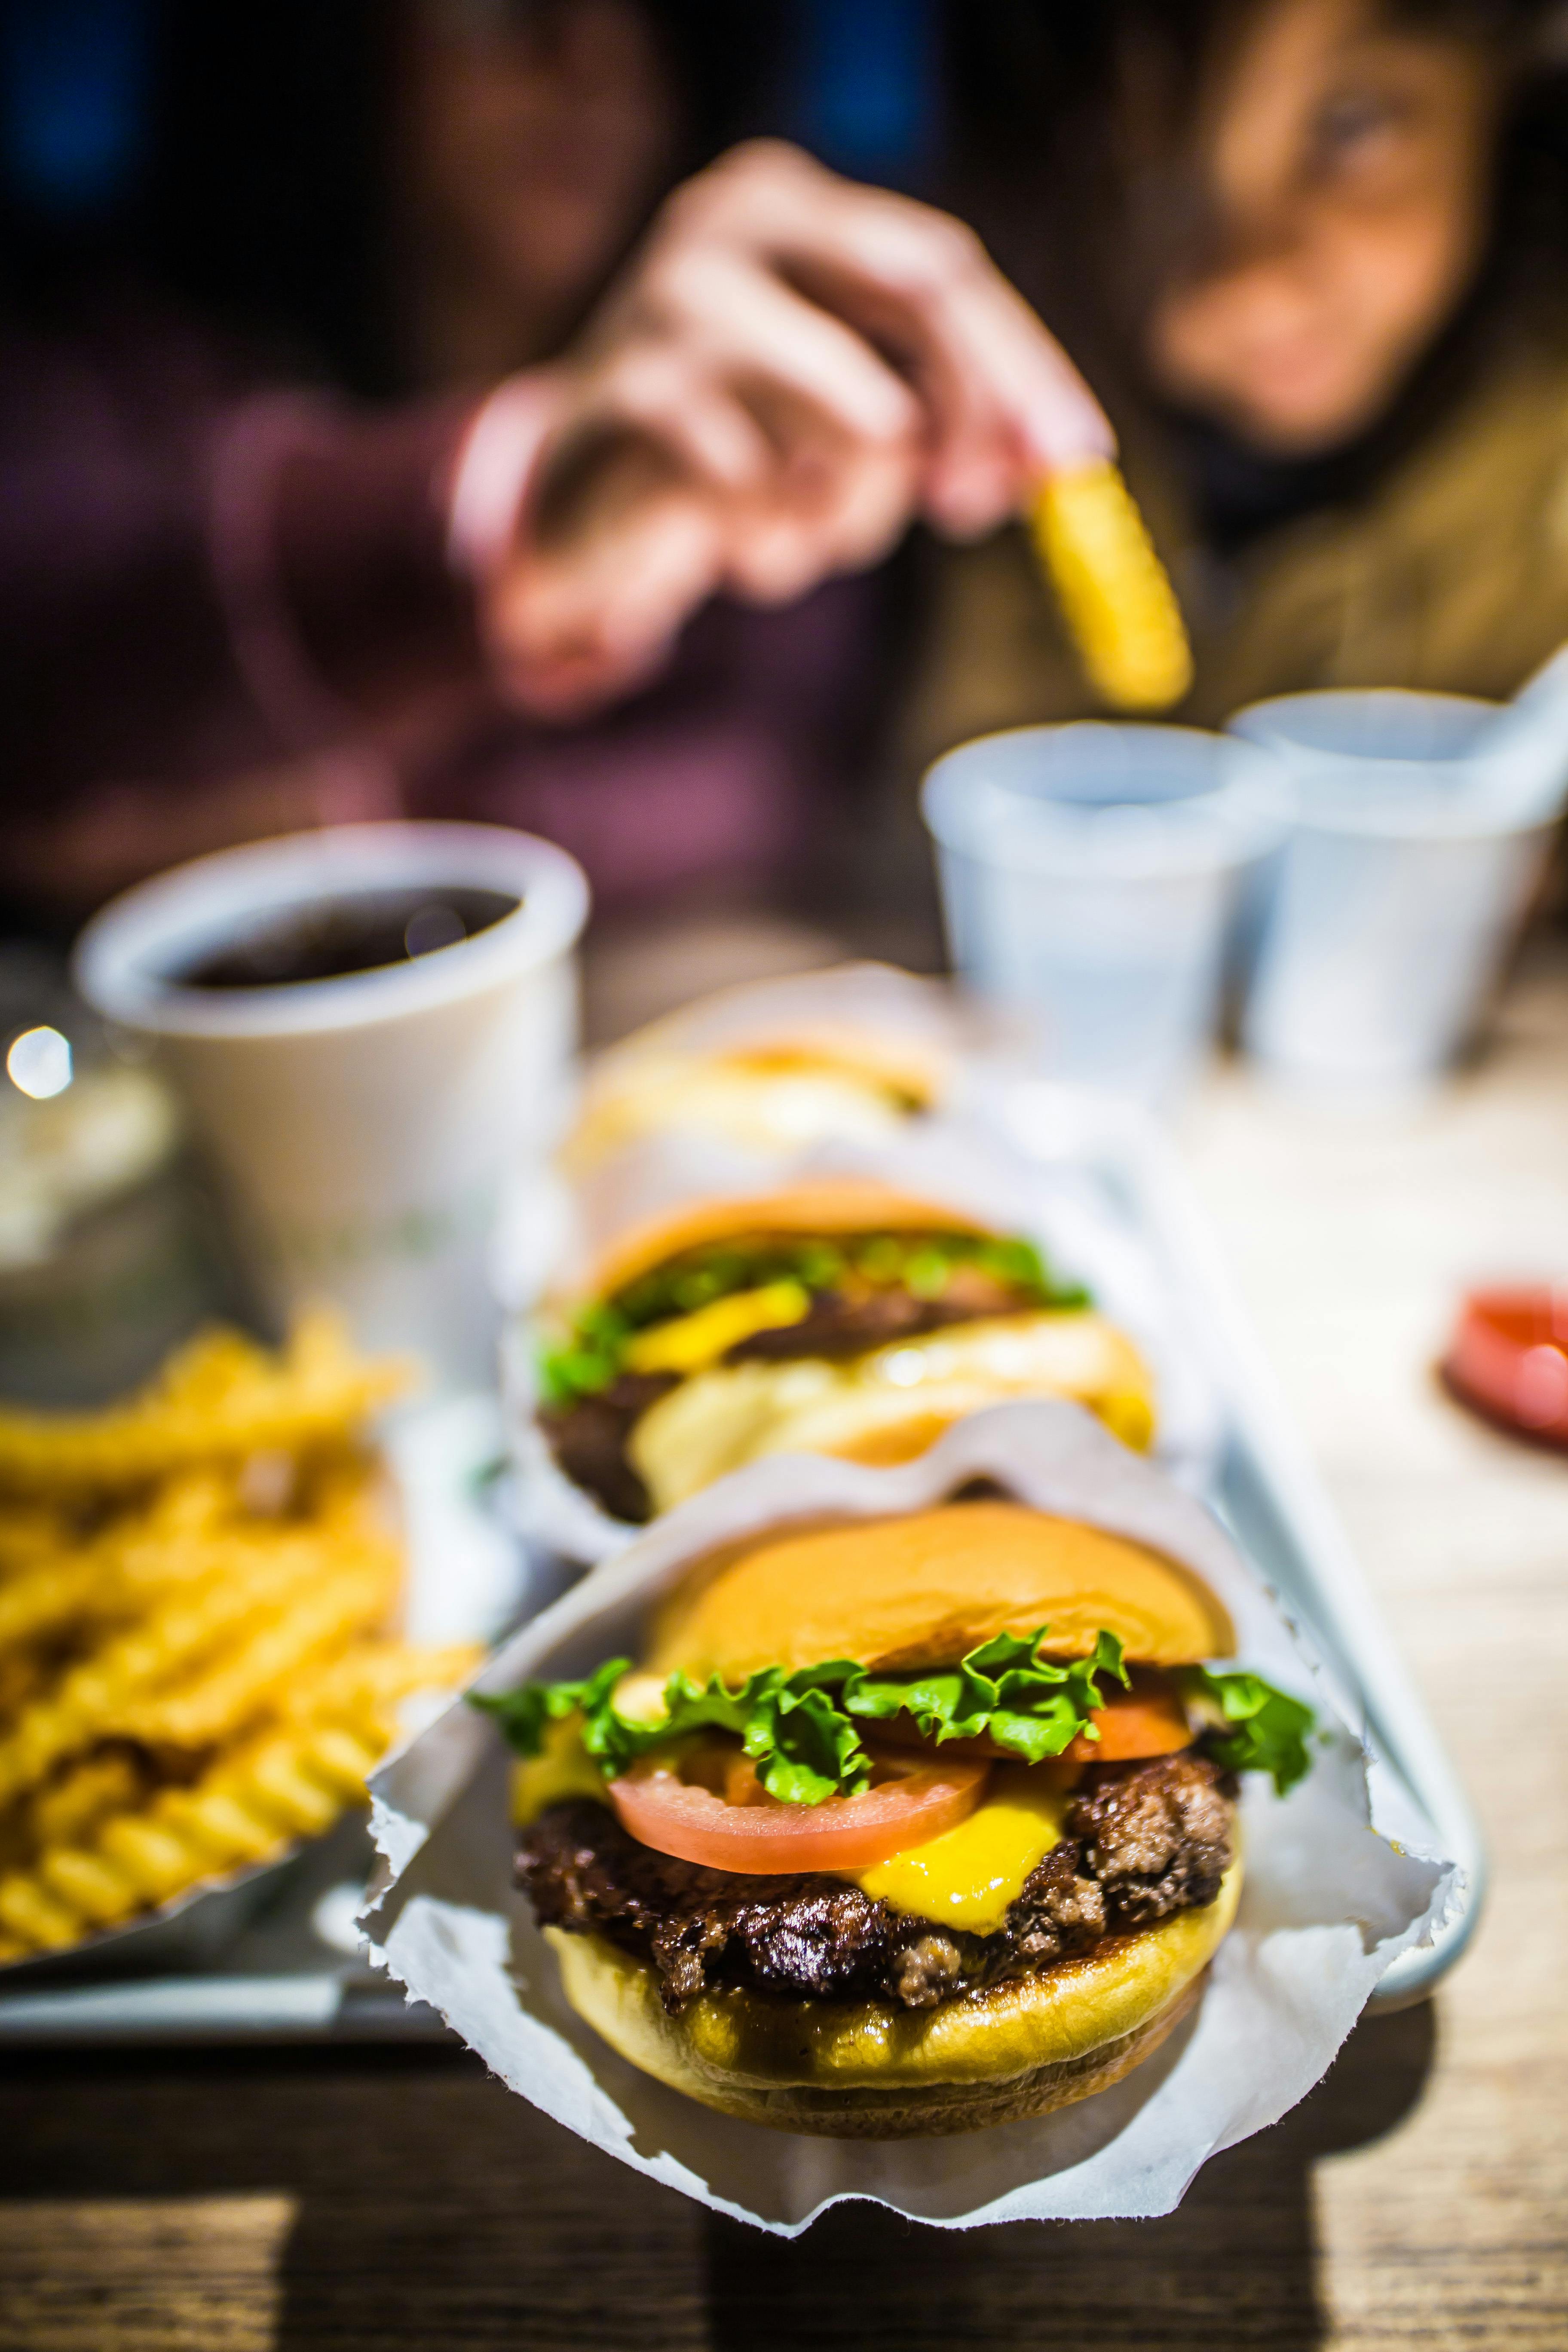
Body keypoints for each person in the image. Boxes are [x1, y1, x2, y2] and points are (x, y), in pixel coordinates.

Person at [5, 0, 1567, 941]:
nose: (588, 58)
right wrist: (512, 502)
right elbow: (53, 637)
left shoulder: (813, 398)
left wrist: (307, 818)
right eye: (491, 10)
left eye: (649, 8)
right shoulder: (103, 356)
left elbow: (760, 784)